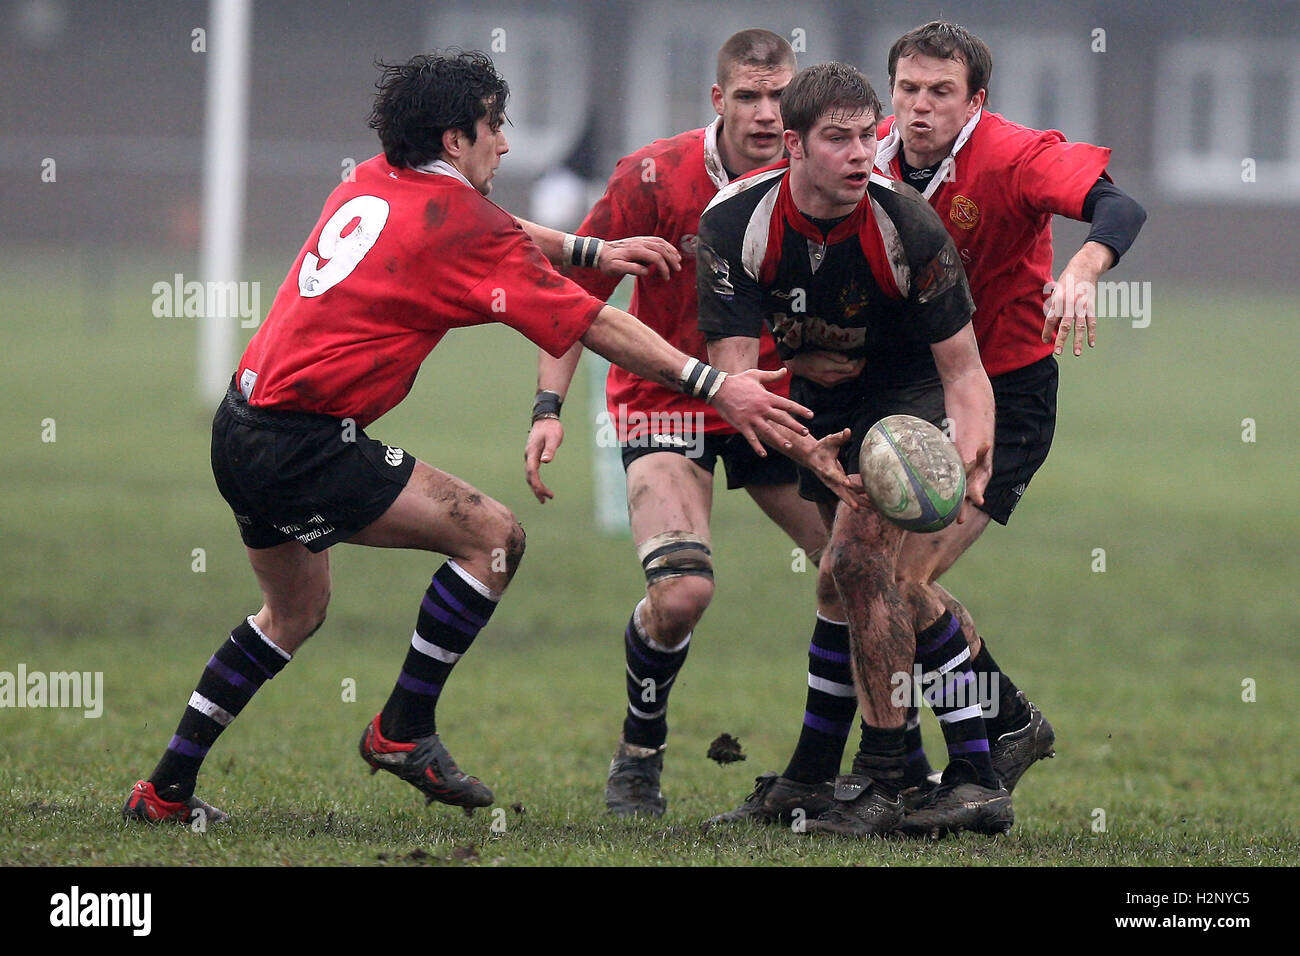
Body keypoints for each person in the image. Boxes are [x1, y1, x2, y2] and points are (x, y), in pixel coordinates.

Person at [120, 50, 813, 826]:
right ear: (455, 139)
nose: (505, 144)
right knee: (494, 539)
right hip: (302, 445)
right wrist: (716, 385)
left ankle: (164, 791)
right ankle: (402, 728)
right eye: (495, 126)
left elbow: (498, 229)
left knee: (291, 614)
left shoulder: (376, 177)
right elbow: (595, 322)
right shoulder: (458, 223)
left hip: (240, 423)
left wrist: (591, 251)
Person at [713, 20, 1146, 829]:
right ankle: (908, 758)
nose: (919, 107)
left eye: (941, 92)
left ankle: (953, 766)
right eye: (907, 89)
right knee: (850, 576)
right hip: (902, 389)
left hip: (1001, 390)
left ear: (975, 101)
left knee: (886, 576)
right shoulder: (867, 150)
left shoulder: (1013, 156)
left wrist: (1085, 269)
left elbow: (1118, 204)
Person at [522, 29, 846, 819]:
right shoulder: (651, 176)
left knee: (858, 574)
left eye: (780, 97)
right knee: (681, 593)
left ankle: (868, 769)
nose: (766, 114)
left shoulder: (820, 177)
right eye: (749, 97)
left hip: (774, 403)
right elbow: (573, 296)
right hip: (665, 399)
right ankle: (639, 754)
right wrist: (548, 408)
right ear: (718, 99)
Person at [697, 61, 1009, 837]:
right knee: (843, 581)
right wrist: (801, 445)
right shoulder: (735, 222)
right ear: (793, 146)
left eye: (869, 135)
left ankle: (882, 778)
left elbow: (964, 372)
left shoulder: (909, 224)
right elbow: (737, 379)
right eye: (838, 138)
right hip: (821, 405)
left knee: (861, 563)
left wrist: (969, 455)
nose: (862, 152)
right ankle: (864, 776)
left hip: (907, 402)